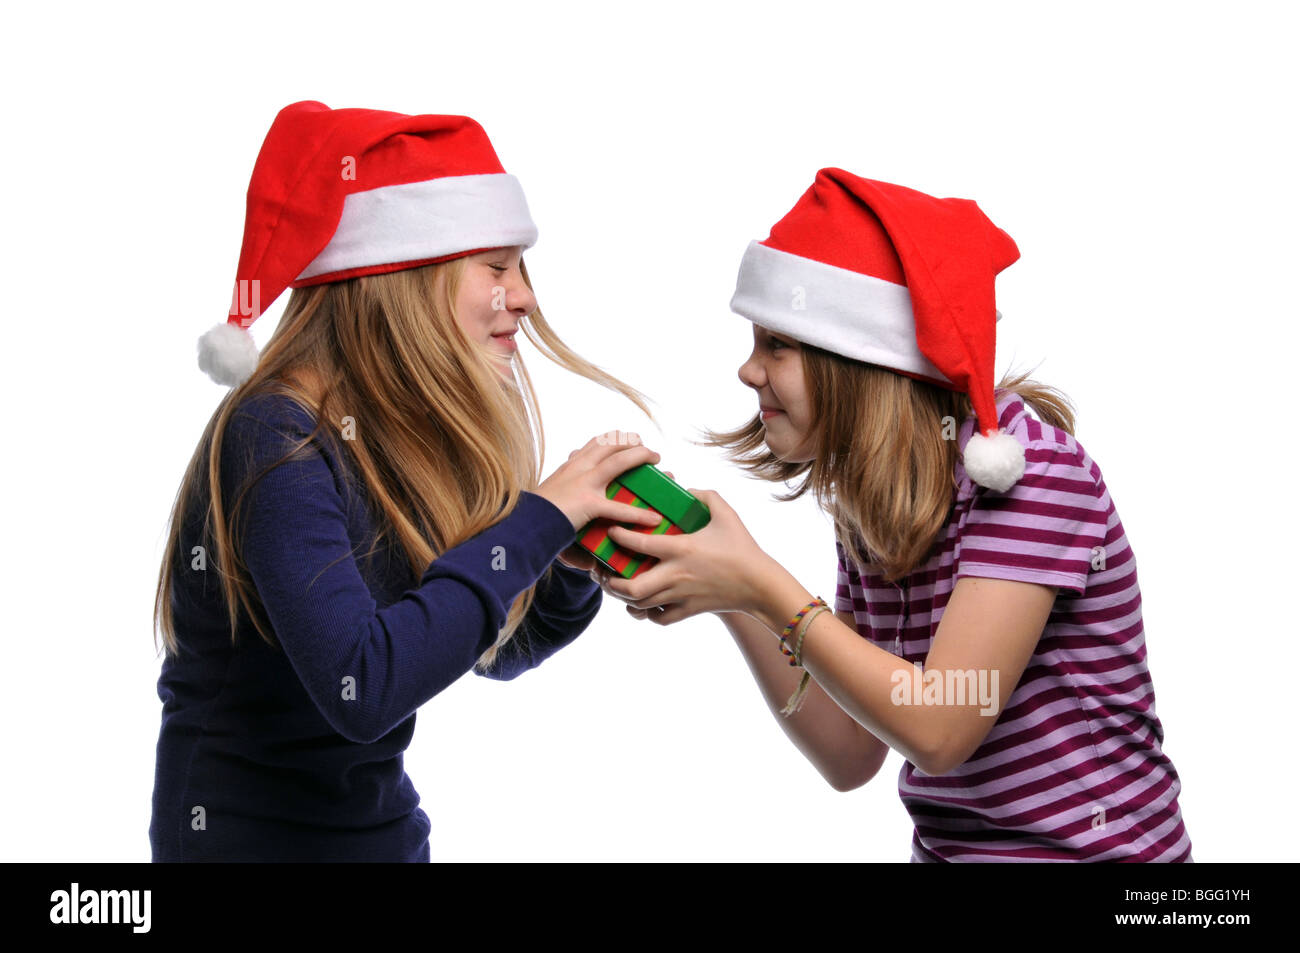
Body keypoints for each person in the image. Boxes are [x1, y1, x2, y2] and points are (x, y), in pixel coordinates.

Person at [592, 169, 1192, 862]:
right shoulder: (878, 502)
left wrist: (759, 581)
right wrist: (730, 593)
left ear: (859, 363)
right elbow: (850, 753)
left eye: (776, 346)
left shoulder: (1031, 474)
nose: (748, 371)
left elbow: (940, 726)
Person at [150, 101, 663, 861]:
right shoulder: (273, 437)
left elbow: (491, 649)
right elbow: (365, 681)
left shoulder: (392, 434)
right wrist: (535, 519)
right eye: (496, 267)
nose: (522, 295)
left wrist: (562, 562)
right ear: (400, 279)